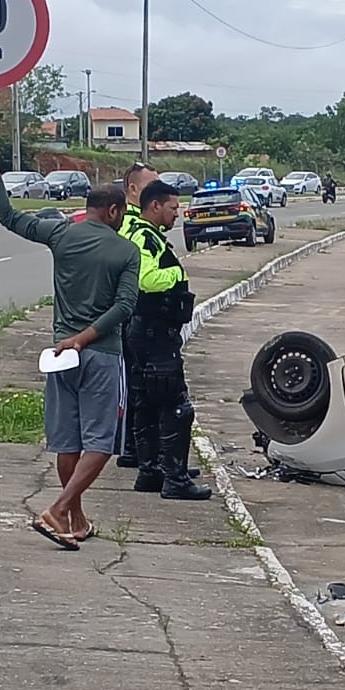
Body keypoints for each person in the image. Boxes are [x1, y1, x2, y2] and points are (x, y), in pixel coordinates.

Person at [0, 136, 139, 551]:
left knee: (68, 439)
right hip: (100, 353)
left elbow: (8, 216)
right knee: (102, 441)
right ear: (114, 210)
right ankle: (59, 509)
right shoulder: (125, 250)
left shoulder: (61, 235)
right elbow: (124, 307)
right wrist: (85, 340)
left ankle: (75, 519)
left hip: (60, 355)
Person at [125, 179, 213, 500]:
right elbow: (147, 280)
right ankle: (174, 478)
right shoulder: (145, 239)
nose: (178, 214)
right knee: (176, 406)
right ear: (155, 206)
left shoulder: (146, 235)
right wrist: (178, 275)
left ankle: (152, 470)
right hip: (155, 333)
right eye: (174, 208)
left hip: (147, 331)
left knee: (146, 403)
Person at [115, 162, 160, 469]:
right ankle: (140, 453)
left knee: (136, 385)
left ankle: (136, 450)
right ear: (132, 189)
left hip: (131, 315)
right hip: (132, 314)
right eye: (149, 187)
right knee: (140, 387)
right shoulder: (130, 225)